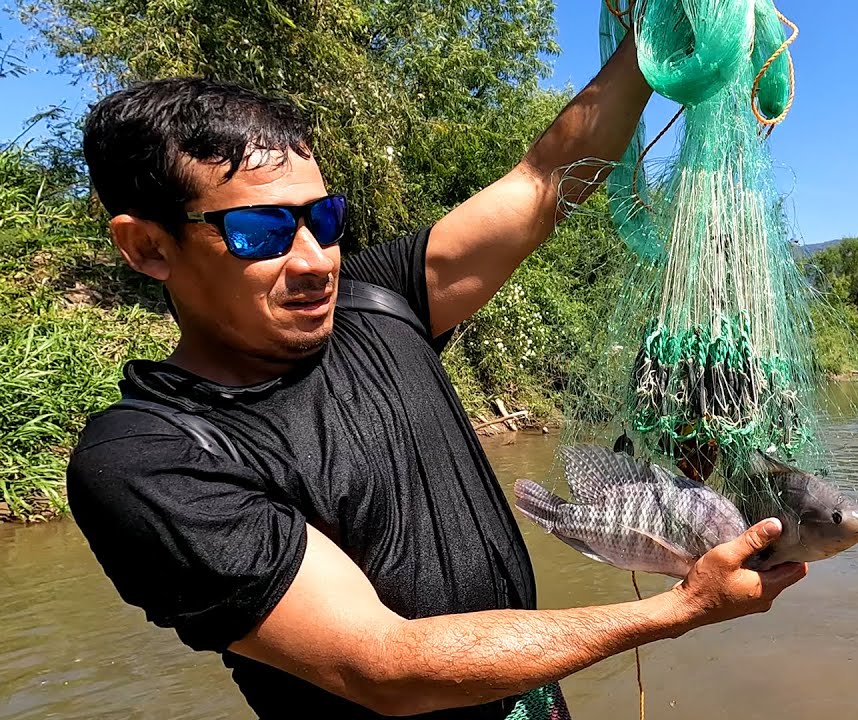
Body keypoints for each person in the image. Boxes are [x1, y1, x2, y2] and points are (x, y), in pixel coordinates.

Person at [65, 31, 808, 720]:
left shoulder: (377, 303)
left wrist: (657, 43)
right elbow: (383, 666)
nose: (314, 261)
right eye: (258, 231)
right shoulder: (151, 459)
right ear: (147, 249)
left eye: (322, 220)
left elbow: (545, 177)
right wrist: (679, 610)